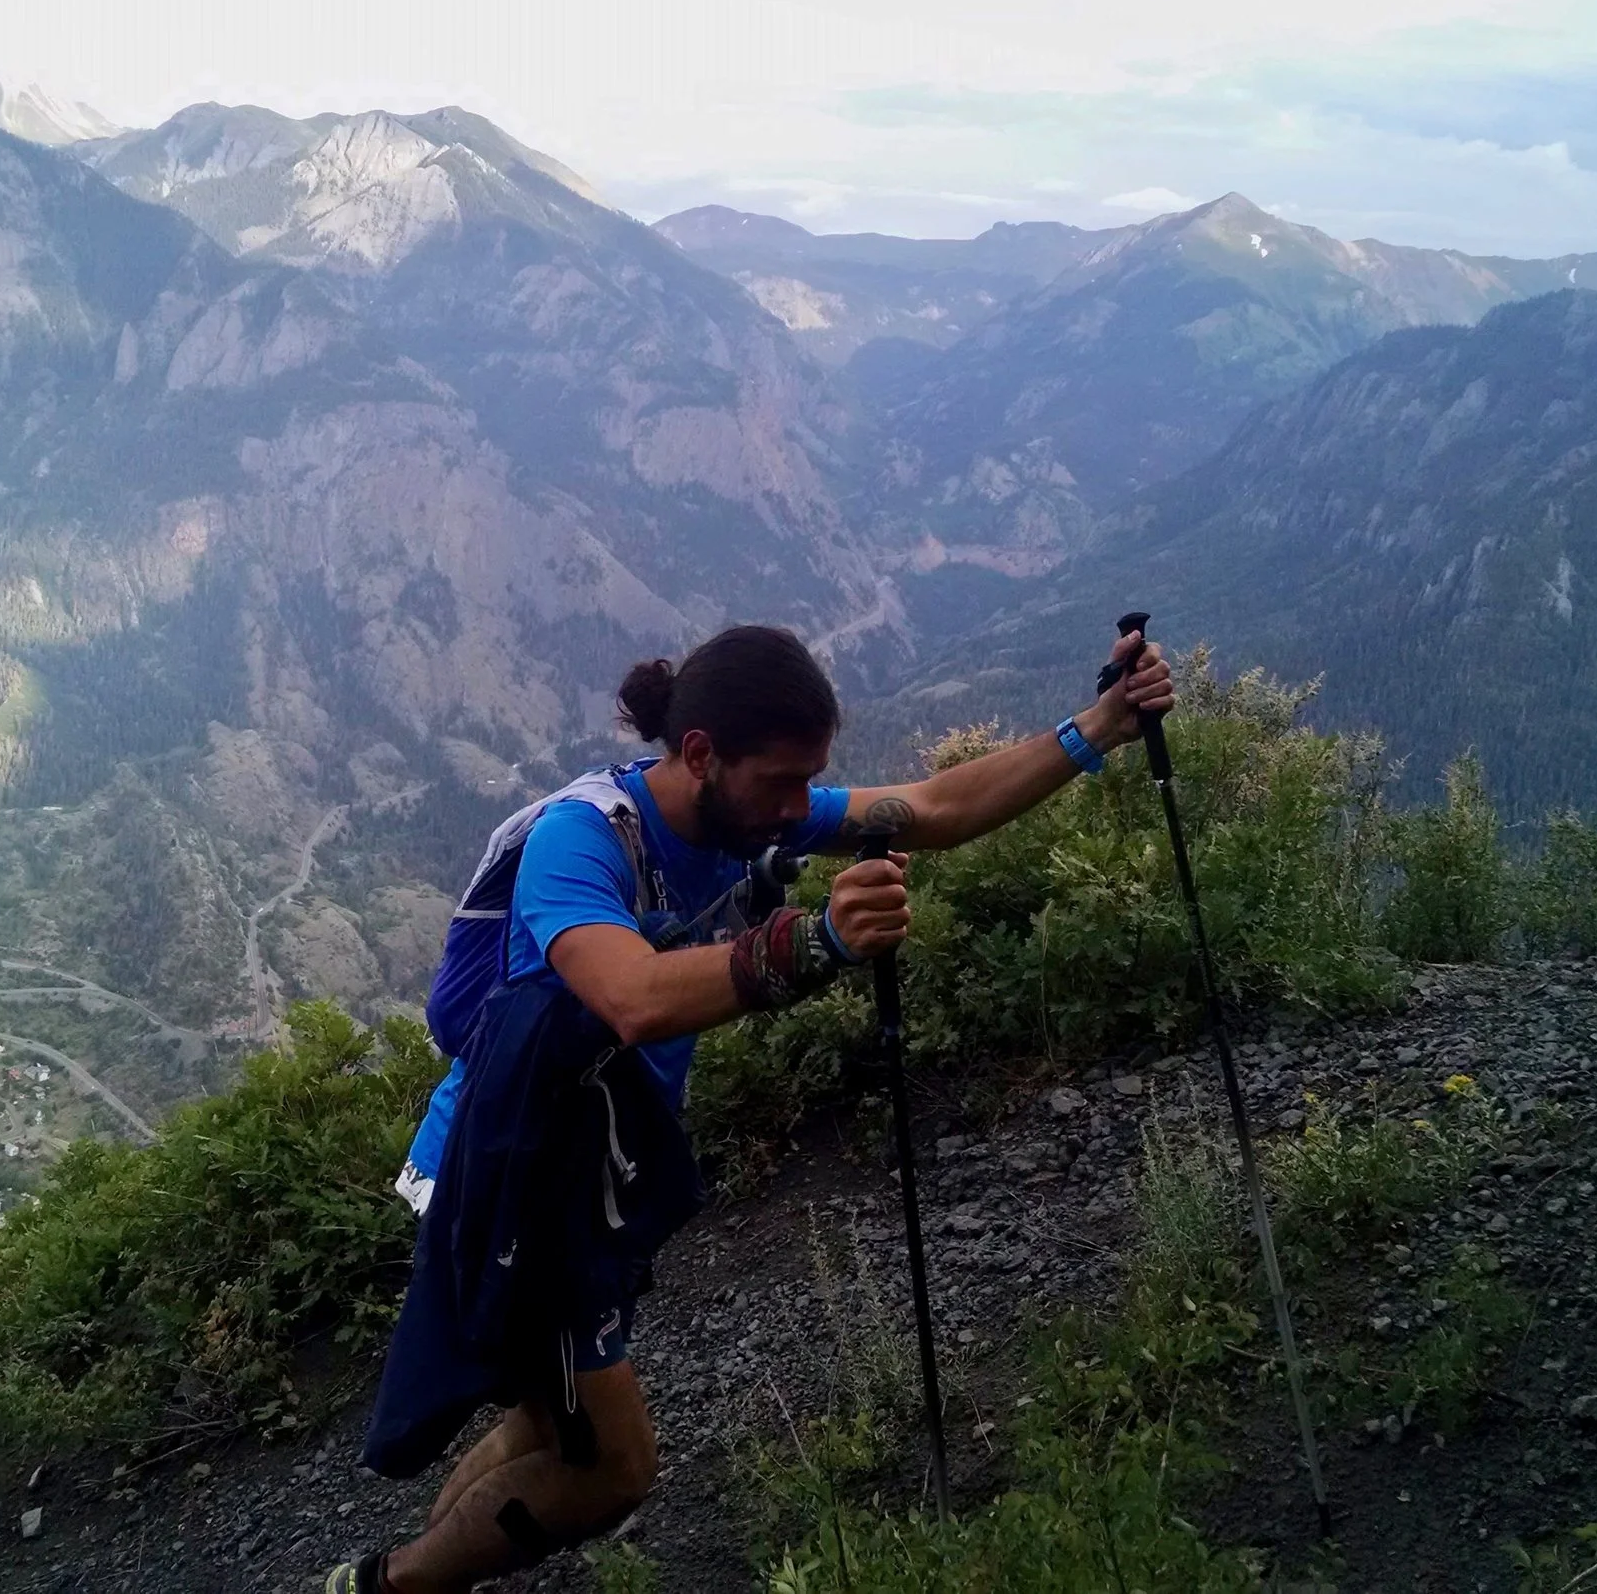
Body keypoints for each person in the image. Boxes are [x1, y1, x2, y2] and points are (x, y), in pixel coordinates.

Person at [328, 622, 1172, 1594]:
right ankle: (384, 1586)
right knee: (612, 1464)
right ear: (700, 755)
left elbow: (932, 807)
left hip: (588, 1166)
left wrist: (1099, 726)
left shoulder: (747, 811)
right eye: (779, 781)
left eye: (805, 781)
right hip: (512, 1180)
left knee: (545, 1419)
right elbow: (632, 995)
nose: (794, 806)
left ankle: (436, 1573)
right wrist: (809, 944)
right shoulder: (585, 838)